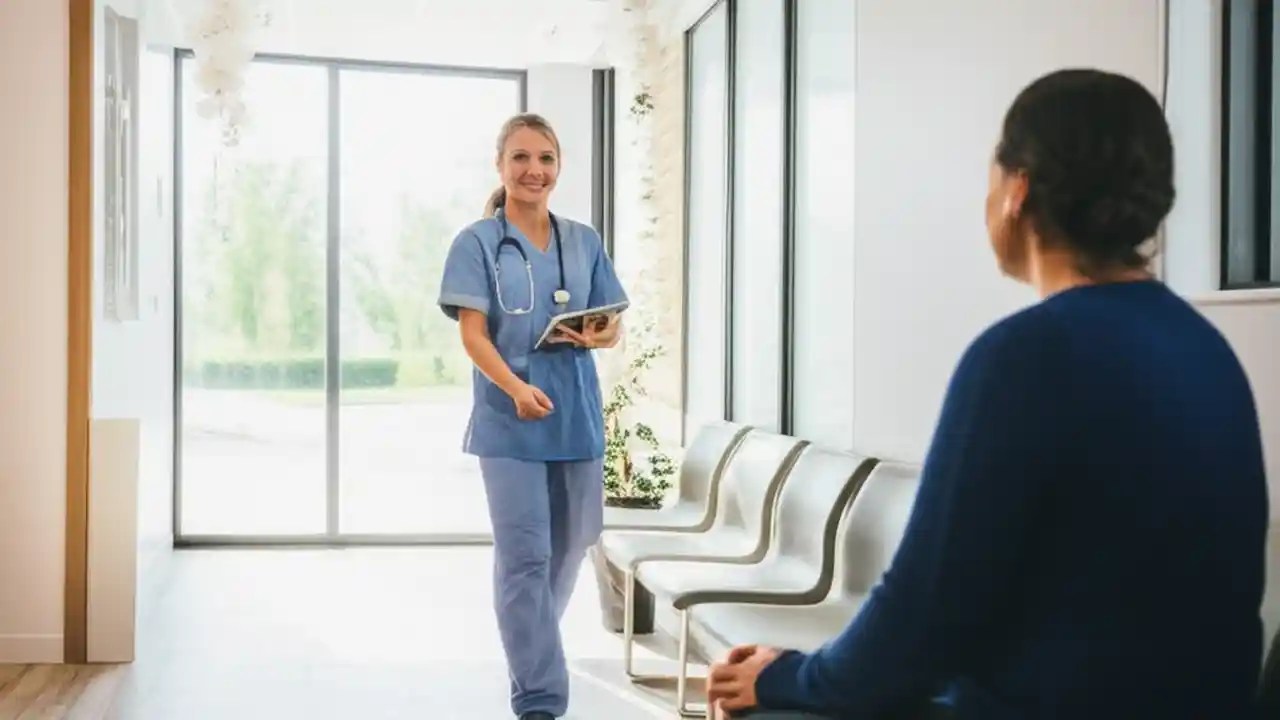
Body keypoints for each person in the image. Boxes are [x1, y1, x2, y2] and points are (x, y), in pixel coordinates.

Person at [707, 69, 1269, 719]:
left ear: (1017, 191)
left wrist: (786, 679)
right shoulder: (1205, 347)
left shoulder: (1026, 355)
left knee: (749, 703)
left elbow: (925, 611)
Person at [437, 113, 628, 720]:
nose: (533, 170)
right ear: (501, 165)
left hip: (575, 414)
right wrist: (516, 387)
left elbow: (612, 321)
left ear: (558, 166)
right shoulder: (477, 243)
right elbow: (473, 335)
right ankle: (541, 699)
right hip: (510, 420)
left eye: (544, 158)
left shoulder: (584, 239)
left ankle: (530, 645)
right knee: (525, 558)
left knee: (572, 545)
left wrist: (601, 334)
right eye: (520, 157)